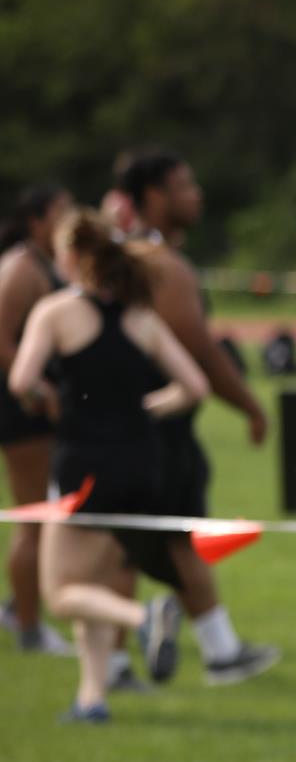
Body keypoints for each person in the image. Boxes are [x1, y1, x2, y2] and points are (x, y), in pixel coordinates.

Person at [7, 208, 204, 719]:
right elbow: (193, 387)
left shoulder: (56, 311)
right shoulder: (142, 318)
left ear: (72, 256)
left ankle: (144, 616)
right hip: (142, 466)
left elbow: (21, 380)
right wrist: (143, 409)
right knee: (88, 586)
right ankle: (91, 698)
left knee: (60, 594)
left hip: (84, 466)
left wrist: (46, 398)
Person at [122, 149, 281, 686]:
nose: (197, 195)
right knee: (162, 537)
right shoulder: (162, 266)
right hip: (159, 427)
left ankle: (145, 658)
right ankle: (211, 652)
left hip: (124, 424)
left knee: (136, 540)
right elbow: (200, 351)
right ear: (153, 197)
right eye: (185, 186)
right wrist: (250, 405)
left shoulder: (124, 255)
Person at [0, 183, 77, 654]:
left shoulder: (45, 264)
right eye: (61, 213)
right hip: (20, 409)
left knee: (46, 515)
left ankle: (19, 606)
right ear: (36, 221)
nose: (70, 220)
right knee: (35, 520)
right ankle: (28, 628)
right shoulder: (21, 268)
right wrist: (38, 388)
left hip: (34, 407)